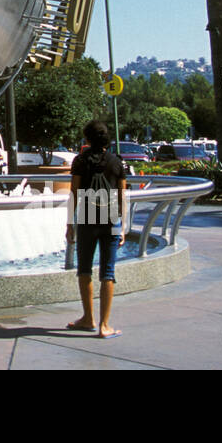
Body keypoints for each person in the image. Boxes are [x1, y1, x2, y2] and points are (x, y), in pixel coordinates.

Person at [66, 120, 128, 339]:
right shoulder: (117, 162)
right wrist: (122, 227)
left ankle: (88, 318)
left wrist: (69, 225)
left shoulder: (80, 161)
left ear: (87, 139)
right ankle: (104, 325)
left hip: (86, 219)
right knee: (108, 272)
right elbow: (122, 197)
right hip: (111, 219)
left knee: (84, 269)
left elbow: (73, 194)